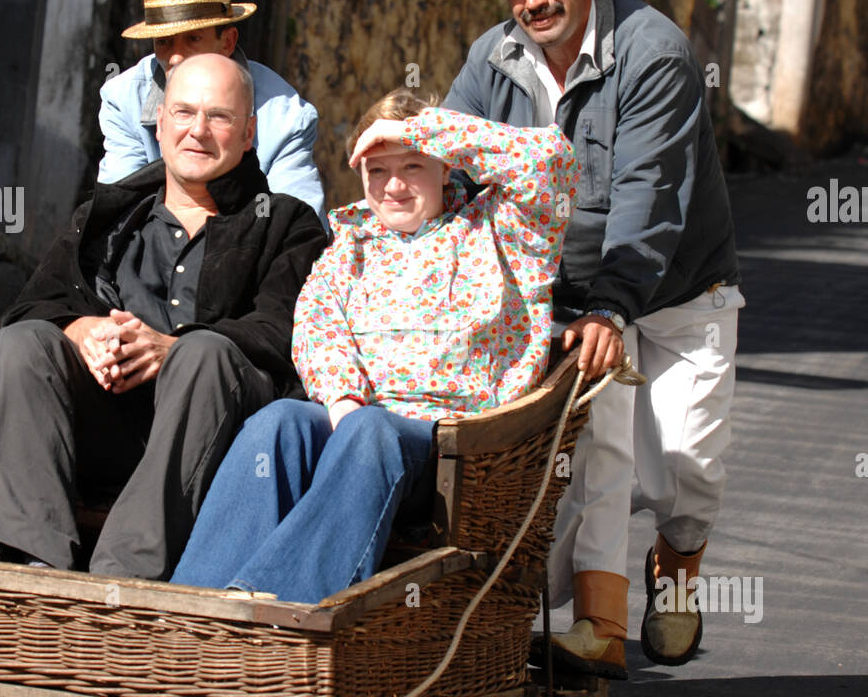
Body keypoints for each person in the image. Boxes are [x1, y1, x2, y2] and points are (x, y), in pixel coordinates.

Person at [443, 0, 744, 675]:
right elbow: (453, 155)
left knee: (684, 464)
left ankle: (675, 567)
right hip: (574, 293)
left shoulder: (654, 51)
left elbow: (648, 194)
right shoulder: (493, 58)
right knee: (598, 450)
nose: (531, 0)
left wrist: (615, 303)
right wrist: (401, 160)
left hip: (676, 284)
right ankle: (602, 626)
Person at [168, 90, 578, 604]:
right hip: (355, 429)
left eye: (412, 164)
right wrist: (341, 398)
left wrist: (425, 129)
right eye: (378, 169)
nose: (394, 186)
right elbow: (317, 326)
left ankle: (281, 612)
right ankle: (194, 606)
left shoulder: (498, 230)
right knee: (280, 422)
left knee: (370, 430)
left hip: (456, 450)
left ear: (445, 165)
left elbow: (553, 162)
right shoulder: (349, 248)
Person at [0, 54, 328, 580]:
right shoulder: (109, 218)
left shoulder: (286, 224)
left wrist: (174, 348)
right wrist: (82, 329)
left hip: (219, 443)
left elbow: (282, 333)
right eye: (184, 113)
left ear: (250, 132)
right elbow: (35, 305)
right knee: (26, 342)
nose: (198, 131)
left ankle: (121, 579)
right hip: (112, 427)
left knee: (204, 354)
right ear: (160, 123)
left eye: (220, 117)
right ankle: (31, 564)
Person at [99, 0, 325, 216]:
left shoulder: (285, 118)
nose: (175, 56)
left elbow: (299, 227)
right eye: (163, 41)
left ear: (227, 42)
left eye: (193, 39)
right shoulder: (123, 98)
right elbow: (119, 210)